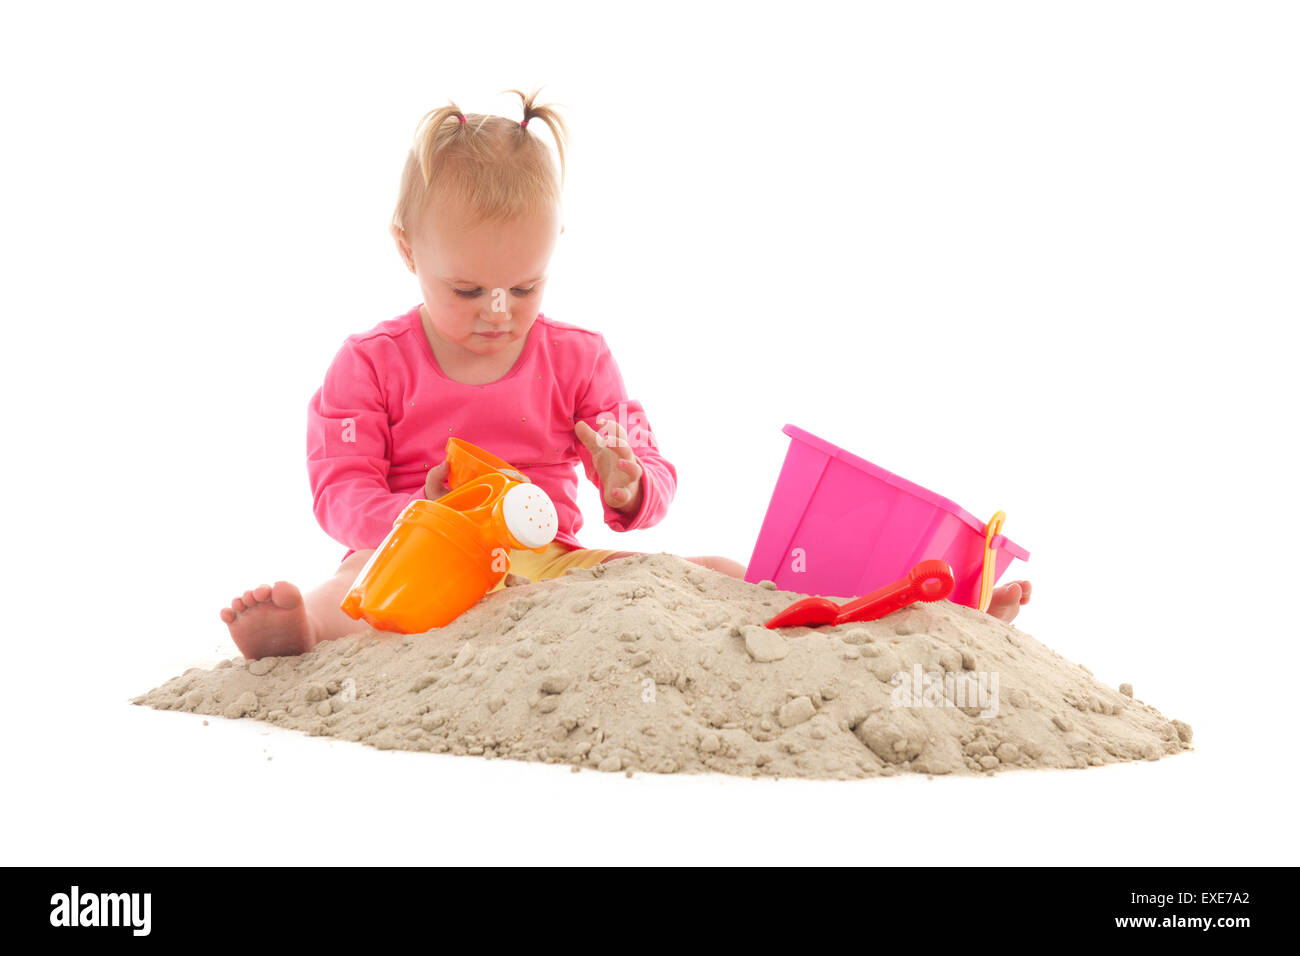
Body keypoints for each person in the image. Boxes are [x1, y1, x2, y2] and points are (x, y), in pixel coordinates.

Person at [221, 89, 1030, 660]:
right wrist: (409, 517)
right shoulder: (369, 365)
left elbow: (656, 475)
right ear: (408, 250)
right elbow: (339, 492)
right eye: (467, 290)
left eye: (526, 287)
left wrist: (625, 481)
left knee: (712, 575)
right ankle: (301, 634)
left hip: (548, 570)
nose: (498, 311)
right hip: (419, 562)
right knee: (356, 592)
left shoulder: (577, 358)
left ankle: (906, 612)